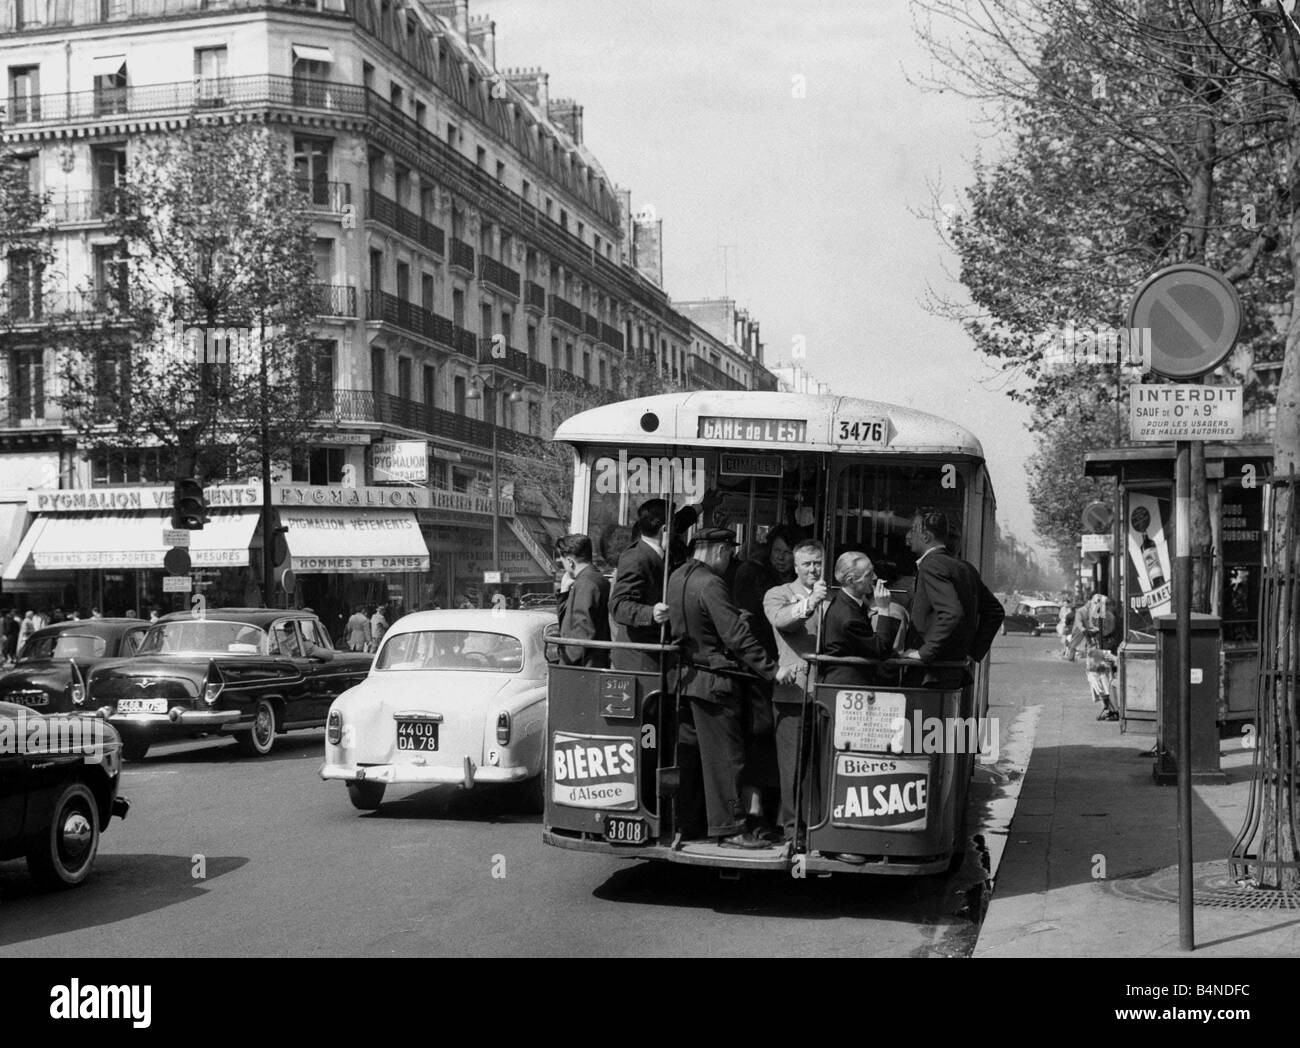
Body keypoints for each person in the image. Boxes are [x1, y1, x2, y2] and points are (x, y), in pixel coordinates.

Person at [667, 527, 778, 849]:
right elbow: (735, 637)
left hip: (683, 681)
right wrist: (771, 669)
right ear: (718, 550)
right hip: (714, 683)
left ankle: (688, 822)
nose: (730, 560)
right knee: (728, 758)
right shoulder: (713, 582)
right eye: (729, 553)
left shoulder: (677, 576)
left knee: (690, 756)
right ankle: (731, 828)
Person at [730, 525, 798, 839]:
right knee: (758, 739)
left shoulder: (795, 583)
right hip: (759, 671)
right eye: (778, 552)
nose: (782, 558)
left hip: (784, 673)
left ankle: (775, 812)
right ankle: (755, 813)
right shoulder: (754, 575)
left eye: (788, 554)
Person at [764, 538, 830, 843]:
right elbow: (783, 621)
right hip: (793, 693)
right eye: (807, 564)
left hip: (827, 694)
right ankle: (792, 831)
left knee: (820, 766)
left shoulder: (833, 598)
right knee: (791, 766)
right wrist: (812, 602)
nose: (813, 569)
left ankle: (817, 827)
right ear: (795, 566)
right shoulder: (778, 594)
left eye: (818, 563)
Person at [900, 510, 1004, 688]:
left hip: (929, 675)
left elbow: (952, 612)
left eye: (913, 531)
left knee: (918, 716)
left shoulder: (930, 565)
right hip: (954, 670)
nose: (908, 536)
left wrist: (925, 652)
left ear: (926, 536)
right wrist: (973, 652)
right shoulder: (965, 568)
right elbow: (995, 611)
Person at [609, 499, 676, 673]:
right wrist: (651, 613)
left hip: (652, 655)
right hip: (639, 659)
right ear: (665, 529)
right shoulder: (636, 558)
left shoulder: (658, 552)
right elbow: (619, 606)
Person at [822, 552, 904, 687]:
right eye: (868, 575)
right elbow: (881, 650)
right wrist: (883, 608)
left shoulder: (848, 602)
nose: (875, 577)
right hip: (847, 686)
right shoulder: (848, 617)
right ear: (851, 581)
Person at [555, 533, 611, 667]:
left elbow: (583, 630)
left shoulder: (585, 584)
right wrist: (564, 593)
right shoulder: (595, 579)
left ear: (570, 561)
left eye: (562, 561)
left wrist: (566, 661)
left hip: (583, 665)